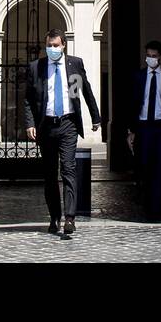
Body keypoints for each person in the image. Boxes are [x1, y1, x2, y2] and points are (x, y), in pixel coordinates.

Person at [23, 29, 100, 239]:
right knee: (49, 174)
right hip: (46, 126)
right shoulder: (36, 67)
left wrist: (96, 117)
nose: (52, 49)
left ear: (63, 45)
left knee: (68, 169)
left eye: (56, 45)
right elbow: (29, 98)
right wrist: (30, 123)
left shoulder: (75, 64)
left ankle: (70, 218)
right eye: (49, 45)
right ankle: (54, 217)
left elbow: (86, 91)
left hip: (68, 123)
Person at [125, 40, 161, 221]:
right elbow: (133, 103)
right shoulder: (138, 77)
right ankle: (147, 204)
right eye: (148, 56)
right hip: (143, 127)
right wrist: (131, 130)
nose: (150, 59)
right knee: (145, 165)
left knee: (160, 166)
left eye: (154, 56)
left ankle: (157, 208)